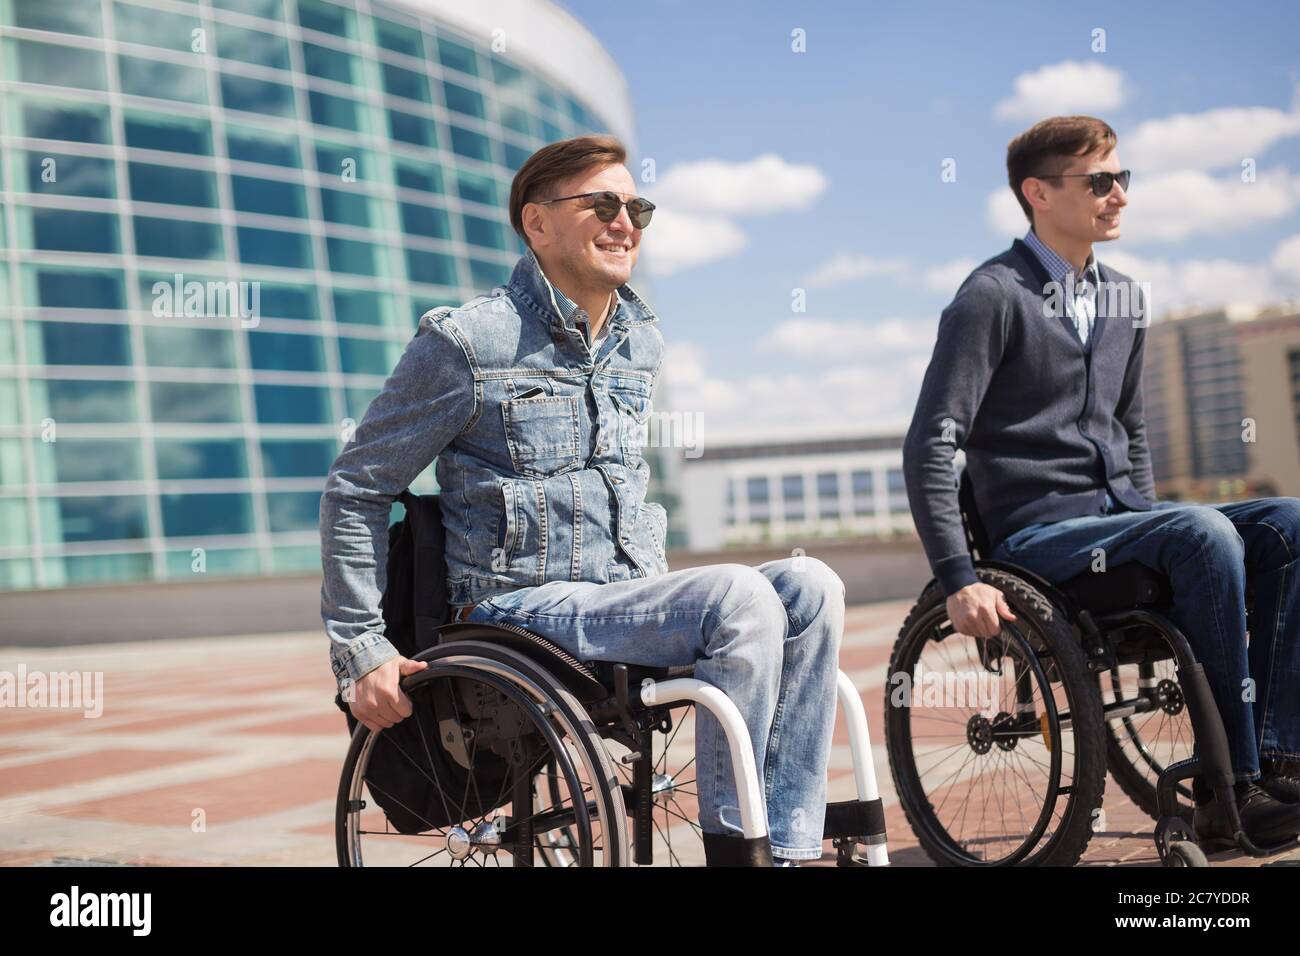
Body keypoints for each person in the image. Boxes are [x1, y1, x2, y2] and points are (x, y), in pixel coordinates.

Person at [319, 134, 845, 865]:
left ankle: (784, 850)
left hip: (622, 602)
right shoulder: (470, 341)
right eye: (602, 204)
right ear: (536, 223)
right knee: (737, 598)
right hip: (515, 611)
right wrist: (361, 648)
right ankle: (738, 854)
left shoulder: (639, 341)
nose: (625, 220)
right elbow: (357, 486)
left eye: (637, 207)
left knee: (812, 587)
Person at [902, 114, 1300, 850]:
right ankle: (1230, 791)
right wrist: (957, 577)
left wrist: (1153, 527)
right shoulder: (991, 296)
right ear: (1039, 194)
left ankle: (1278, 759)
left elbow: (1133, 432)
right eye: (1099, 182)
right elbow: (930, 441)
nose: (1118, 195)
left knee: (1289, 522)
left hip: (1119, 521)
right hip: (1038, 539)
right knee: (1200, 530)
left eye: (1123, 179)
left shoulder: (1124, 298)